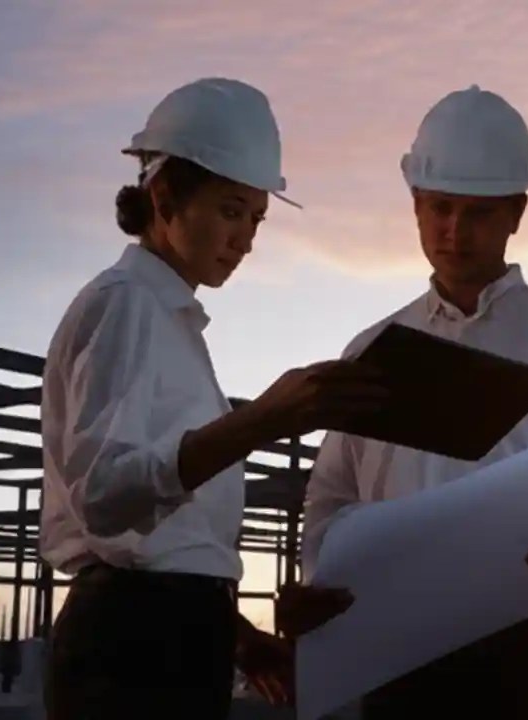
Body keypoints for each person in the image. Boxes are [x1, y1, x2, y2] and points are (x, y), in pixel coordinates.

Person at [298, 84, 528, 718]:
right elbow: (332, 499)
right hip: (404, 652)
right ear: (415, 207)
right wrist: (326, 582)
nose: (453, 231)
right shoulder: (374, 351)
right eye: (439, 207)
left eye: (477, 213)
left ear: (516, 214)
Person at [39, 77, 375, 719]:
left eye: (255, 217)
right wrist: (260, 421)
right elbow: (104, 497)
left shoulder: (169, 321)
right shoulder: (125, 304)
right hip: (128, 650)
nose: (245, 238)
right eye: (229, 210)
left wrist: (236, 639)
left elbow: (168, 544)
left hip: (164, 634)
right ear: (164, 196)